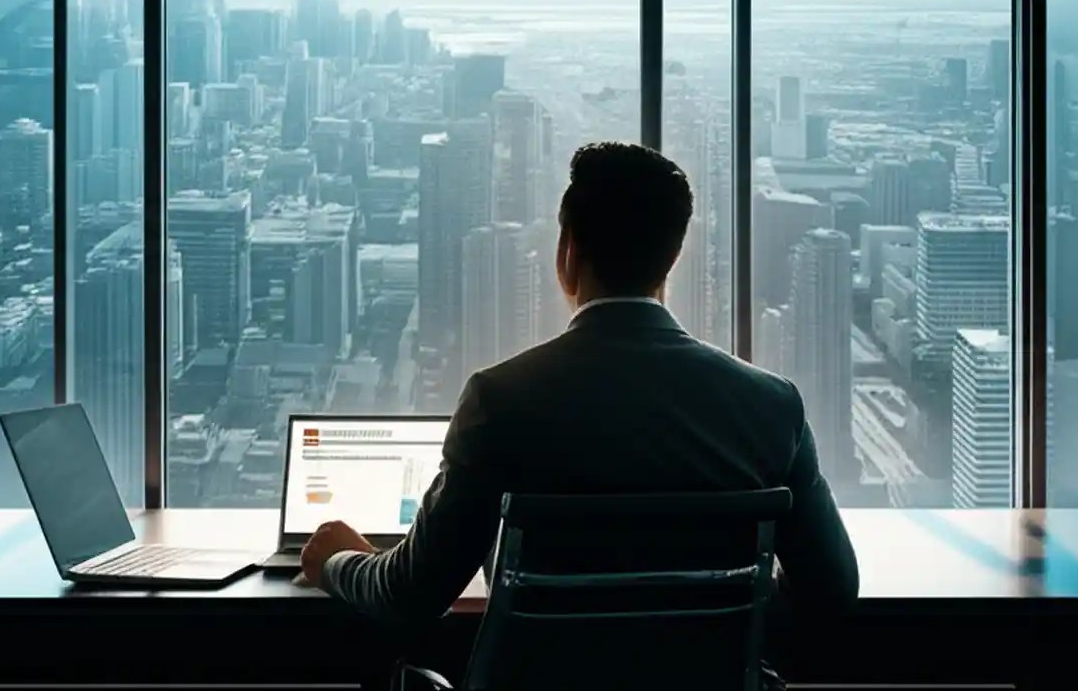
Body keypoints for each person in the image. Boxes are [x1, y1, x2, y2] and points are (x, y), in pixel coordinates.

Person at [301, 142, 859, 670]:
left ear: (567, 250)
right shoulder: (771, 407)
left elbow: (410, 596)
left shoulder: (501, 401)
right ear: (672, 258)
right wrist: (730, 611)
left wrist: (336, 559)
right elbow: (833, 590)